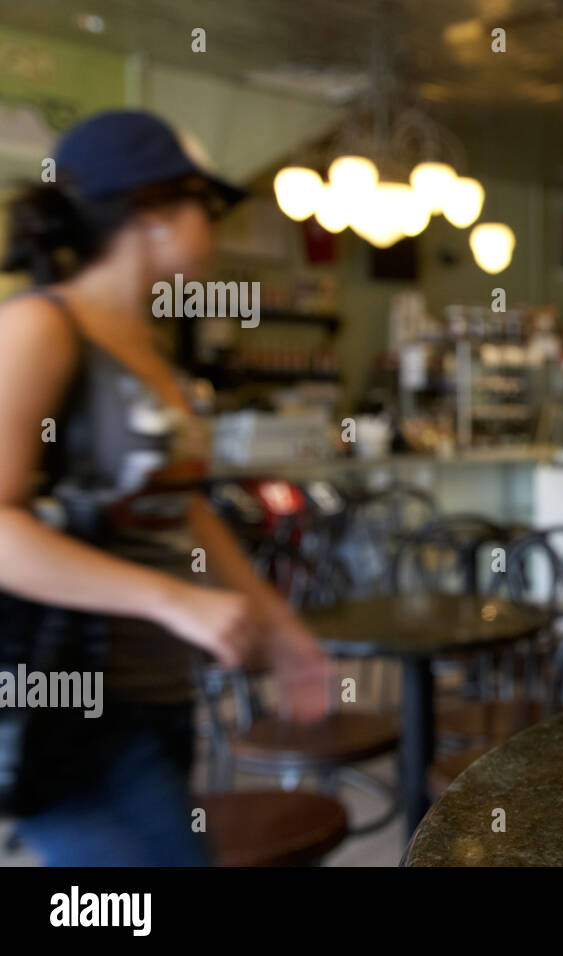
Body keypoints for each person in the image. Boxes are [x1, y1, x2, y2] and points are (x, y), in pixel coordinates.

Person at [0, 110, 331, 865]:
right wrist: (173, 599)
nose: (213, 236)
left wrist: (278, 625)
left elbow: (182, 507)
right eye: (207, 210)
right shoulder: (41, 328)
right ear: (152, 213)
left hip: (157, 693)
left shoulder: (148, 345)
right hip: (67, 702)